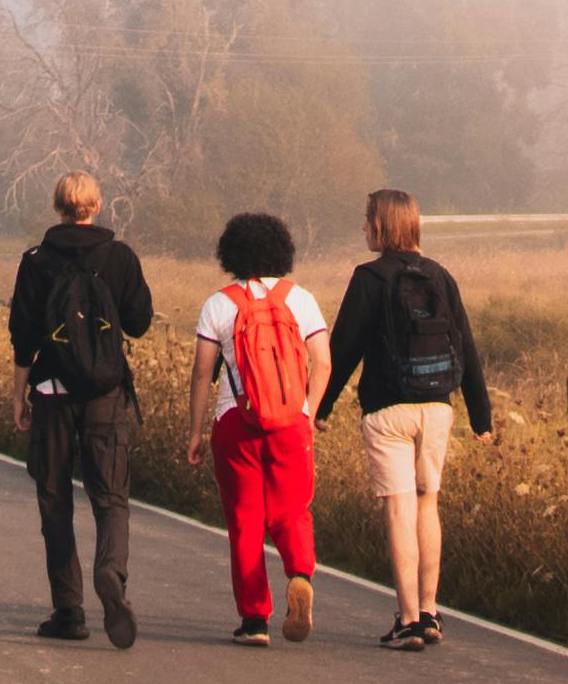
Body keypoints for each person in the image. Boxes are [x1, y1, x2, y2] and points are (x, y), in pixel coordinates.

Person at [321, 185, 494, 646]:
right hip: (438, 407)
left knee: (398, 509)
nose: (362, 228)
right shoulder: (440, 276)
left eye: (366, 219)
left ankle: (408, 618)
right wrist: (482, 418)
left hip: (387, 409)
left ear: (382, 224)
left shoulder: (369, 278)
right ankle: (432, 612)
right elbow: (467, 348)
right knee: (427, 504)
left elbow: (343, 350)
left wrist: (320, 407)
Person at [5, 166, 151, 646]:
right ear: (97, 205)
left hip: (52, 394)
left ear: (58, 206)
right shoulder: (120, 256)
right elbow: (139, 322)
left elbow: (23, 335)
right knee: (111, 498)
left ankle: (69, 612)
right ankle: (111, 572)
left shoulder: (35, 259)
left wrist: (18, 394)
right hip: (105, 395)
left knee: (55, 500)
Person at [186, 207, 326, 643]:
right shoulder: (299, 299)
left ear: (231, 253)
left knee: (245, 521)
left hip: (236, 423)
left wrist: (195, 431)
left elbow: (201, 372)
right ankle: (300, 573)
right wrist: (307, 410)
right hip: (291, 424)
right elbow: (323, 361)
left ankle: (254, 621)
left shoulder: (219, 304)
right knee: (292, 511)